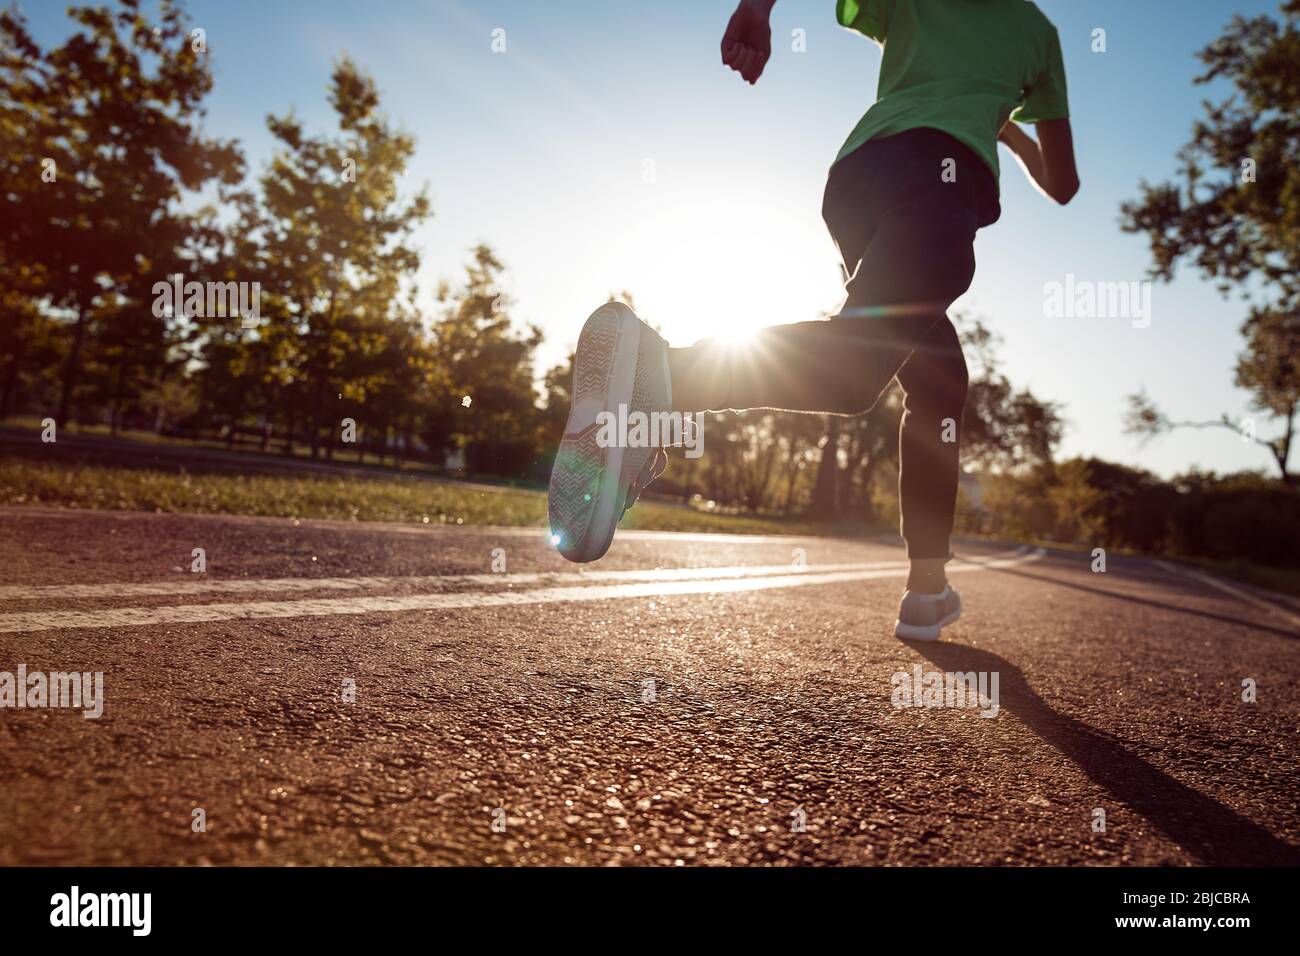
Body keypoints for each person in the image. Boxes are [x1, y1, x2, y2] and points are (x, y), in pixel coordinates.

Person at [547, 0, 1079, 641]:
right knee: (855, 375)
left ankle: (927, 587)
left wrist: (756, 10)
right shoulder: (1038, 37)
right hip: (943, 188)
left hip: (860, 179)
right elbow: (1063, 183)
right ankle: (662, 375)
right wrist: (1006, 122)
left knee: (939, 382)